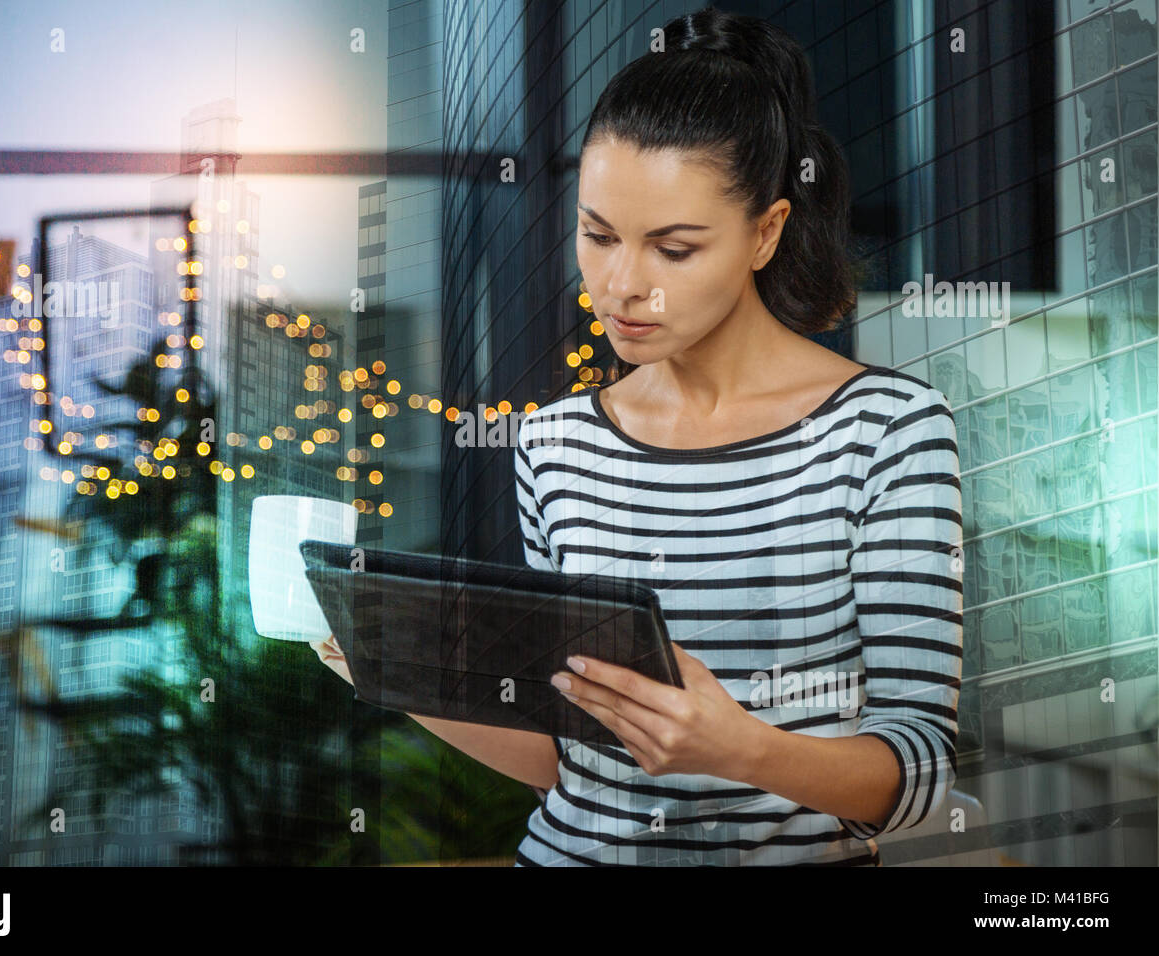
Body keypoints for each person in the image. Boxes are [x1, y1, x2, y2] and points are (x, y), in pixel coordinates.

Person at [314, 7, 963, 866]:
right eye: (598, 236)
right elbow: (565, 759)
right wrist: (387, 672)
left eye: (674, 248)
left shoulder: (886, 433)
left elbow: (921, 775)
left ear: (765, 231)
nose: (622, 286)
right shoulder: (556, 444)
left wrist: (737, 747)